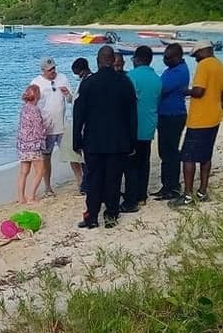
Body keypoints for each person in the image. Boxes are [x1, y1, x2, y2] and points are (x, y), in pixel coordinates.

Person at [73, 45, 137, 228]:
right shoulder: (125, 82)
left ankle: (92, 217)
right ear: (113, 61)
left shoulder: (88, 83)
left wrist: (76, 140)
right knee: (113, 179)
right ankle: (111, 215)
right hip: (119, 141)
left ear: (98, 61)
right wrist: (132, 141)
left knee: (94, 179)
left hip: (94, 141)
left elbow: (79, 114)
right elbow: (132, 115)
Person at [172, 40, 223, 207]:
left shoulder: (204, 65)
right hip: (214, 117)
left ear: (203, 51)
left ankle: (187, 195)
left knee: (188, 157)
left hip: (200, 119)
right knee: (205, 156)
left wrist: (185, 91)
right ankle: (203, 191)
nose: (195, 59)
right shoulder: (220, 66)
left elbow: (199, 91)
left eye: (196, 55)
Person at [122, 45, 162, 212]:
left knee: (130, 164)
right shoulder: (157, 78)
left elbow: (125, 102)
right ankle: (142, 196)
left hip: (133, 127)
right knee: (144, 162)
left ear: (137, 59)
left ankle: (132, 197)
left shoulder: (131, 76)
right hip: (149, 126)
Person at [152, 42, 189, 200]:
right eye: (164, 57)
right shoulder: (171, 70)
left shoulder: (180, 71)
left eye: (167, 57)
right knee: (164, 151)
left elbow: (161, 88)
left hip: (173, 115)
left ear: (177, 57)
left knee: (171, 152)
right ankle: (166, 185)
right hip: (165, 114)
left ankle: (172, 187)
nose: (164, 60)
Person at [32, 57, 72, 197]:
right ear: (43, 70)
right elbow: (32, 103)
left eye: (54, 68)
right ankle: (48, 187)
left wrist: (67, 94)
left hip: (62, 125)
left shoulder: (62, 78)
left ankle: (82, 182)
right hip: (46, 128)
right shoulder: (37, 82)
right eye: (50, 70)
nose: (53, 71)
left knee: (73, 154)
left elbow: (71, 99)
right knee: (46, 158)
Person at [60, 58, 91, 193]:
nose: (76, 75)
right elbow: (76, 101)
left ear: (82, 71)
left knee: (79, 155)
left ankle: (84, 183)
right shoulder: (83, 83)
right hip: (76, 121)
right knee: (76, 155)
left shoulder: (88, 83)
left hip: (82, 123)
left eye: (76, 72)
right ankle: (82, 182)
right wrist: (68, 95)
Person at [15, 84, 46, 202]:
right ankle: (31, 197)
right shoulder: (35, 110)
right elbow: (38, 129)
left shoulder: (24, 108)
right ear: (37, 96)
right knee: (40, 171)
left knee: (24, 172)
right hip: (33, 145)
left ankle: (21, 197)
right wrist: (45, 132)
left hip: (22, 145)